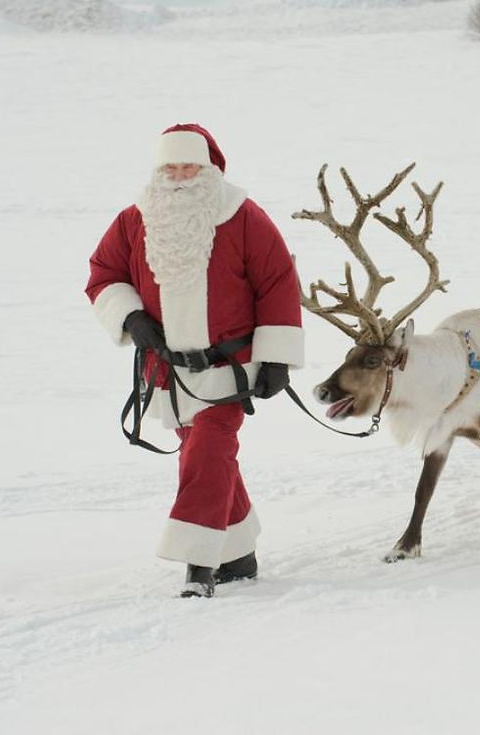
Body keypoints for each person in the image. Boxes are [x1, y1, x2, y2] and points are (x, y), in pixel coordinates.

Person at [85, 123, 303, 598]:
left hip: (229, 366)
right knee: (209, 457)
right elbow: (103, 274)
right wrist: (133, 320)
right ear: (159, 169)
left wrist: (276, 360)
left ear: (209, 168)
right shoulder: (134, 219)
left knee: (207, 451)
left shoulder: (242, 215)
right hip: (168, 371)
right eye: (172, 166)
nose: (181, 175)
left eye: (190, 165)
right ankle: (239, 555)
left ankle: (199, 564)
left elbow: (278, 282)